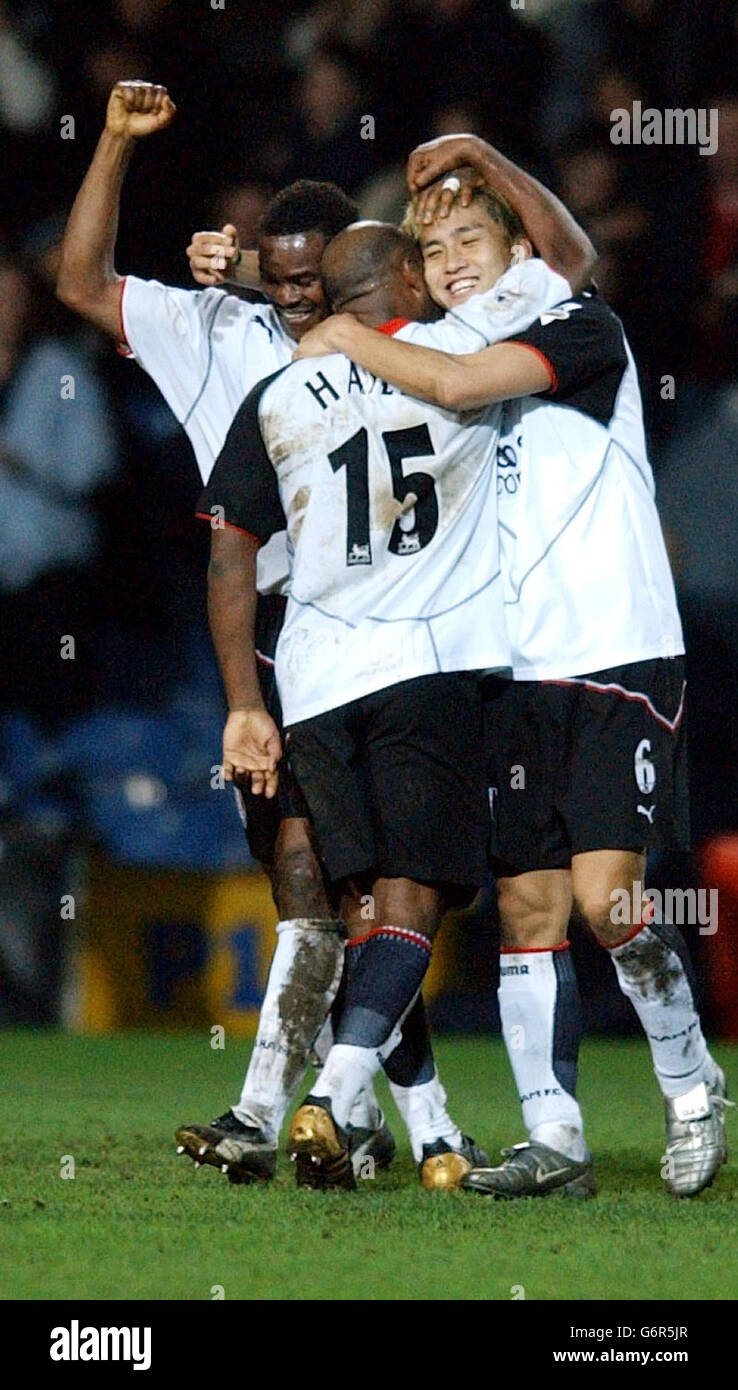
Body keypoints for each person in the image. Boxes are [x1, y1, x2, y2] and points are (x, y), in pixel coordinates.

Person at [55, 81, 488, 1188]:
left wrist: (262, 267)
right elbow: (79, 283)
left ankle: (297, 1115)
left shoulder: (391, 335)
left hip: (371, 628)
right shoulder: (210, 329)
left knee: (339, 883)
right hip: (265, 631)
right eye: (279, 279)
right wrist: (111, 142)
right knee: (319, 885)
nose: (296, 302)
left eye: (312, 282)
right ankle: (404, 1125)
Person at [294, 136, 729, 1198]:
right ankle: (556, 1139)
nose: (450, 262)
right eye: (432, 249)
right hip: (511, 667)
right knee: (527, 907)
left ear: (515, 244)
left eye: (469, 238)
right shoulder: (443, 336)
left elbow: (452, 373)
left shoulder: (579, 328)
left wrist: (339, 329)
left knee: (607, 899)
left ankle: (691, 1082)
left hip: (616, 646)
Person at [197, 219, 578, 1189]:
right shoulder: (456, 352)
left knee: (359, 907)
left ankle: (414, 1126)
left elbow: (231, 549)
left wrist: (247, 701)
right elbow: (565, 269)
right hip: (425, 663)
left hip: (315, 680)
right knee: (412, 904)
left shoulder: (277, 393)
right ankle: (335, 1093)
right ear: (407, 273)